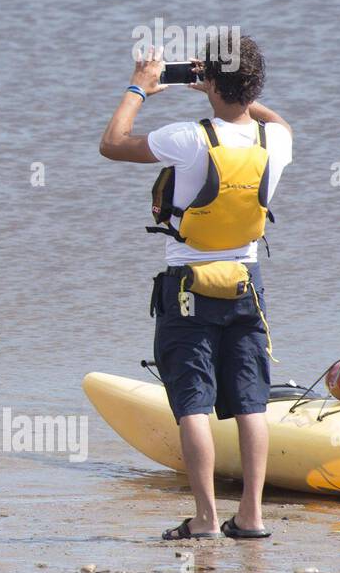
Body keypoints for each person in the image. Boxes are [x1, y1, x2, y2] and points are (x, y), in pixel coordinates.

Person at [99, 36, 293, 541]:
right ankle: (251, 516)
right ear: (253, 86)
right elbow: (272, 119)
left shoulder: (187, 137)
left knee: (192, 405)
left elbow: (112, 143)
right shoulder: (278, 141)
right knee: (251, 404)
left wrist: (139, 88)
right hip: (246, 286)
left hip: (188, 289)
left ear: (208, 81)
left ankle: (206, 518)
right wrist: (232, 93)